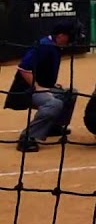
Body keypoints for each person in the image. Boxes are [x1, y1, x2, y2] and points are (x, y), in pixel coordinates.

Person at [6, 21, 81, 152]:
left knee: (70, 93)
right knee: (53, 104)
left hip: (37, 88)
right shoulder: (44, 46)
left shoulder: (53, 45)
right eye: (71, 36)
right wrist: (37, 86)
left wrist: (50, 85)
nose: (73, 39)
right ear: (61, 36)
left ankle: (53, 127)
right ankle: (27, 138)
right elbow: (23, 68)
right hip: (25, 91)